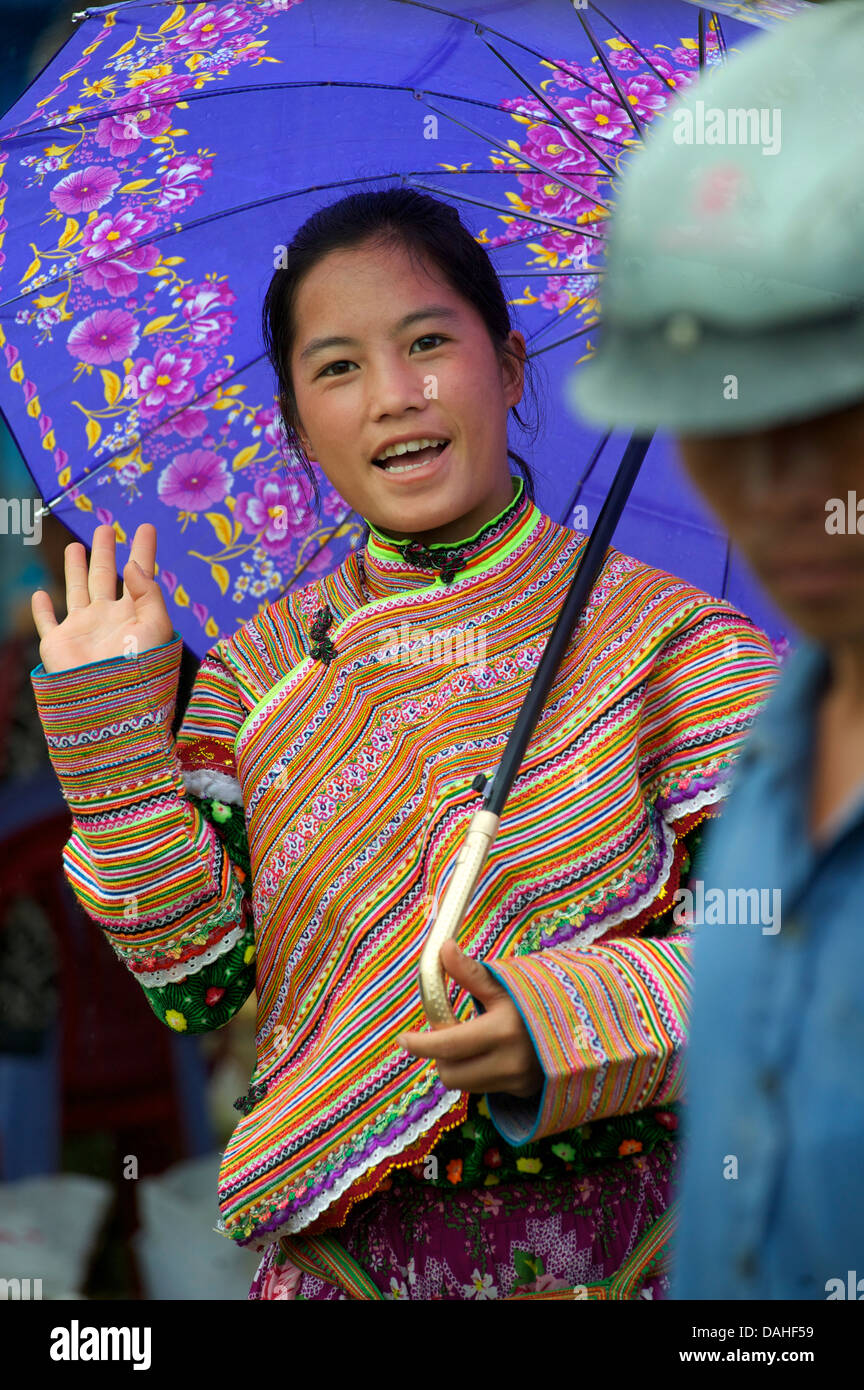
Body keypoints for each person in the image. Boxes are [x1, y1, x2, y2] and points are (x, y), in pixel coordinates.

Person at [29, 186, 778, 1301]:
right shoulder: (258, 673)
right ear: (294, 421)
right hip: (350, 1270)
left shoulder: (673, 646)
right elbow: (195, 981)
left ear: (511, 364)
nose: (395, 395)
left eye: (429, 341)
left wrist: (564, 1019)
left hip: (644, 1261)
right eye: (336, 367)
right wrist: (111, 742)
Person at [573, 0, 864, 1298]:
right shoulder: (779, 745)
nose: (776, 482)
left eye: (835, 404)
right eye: (717, 414)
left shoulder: (692, 659)